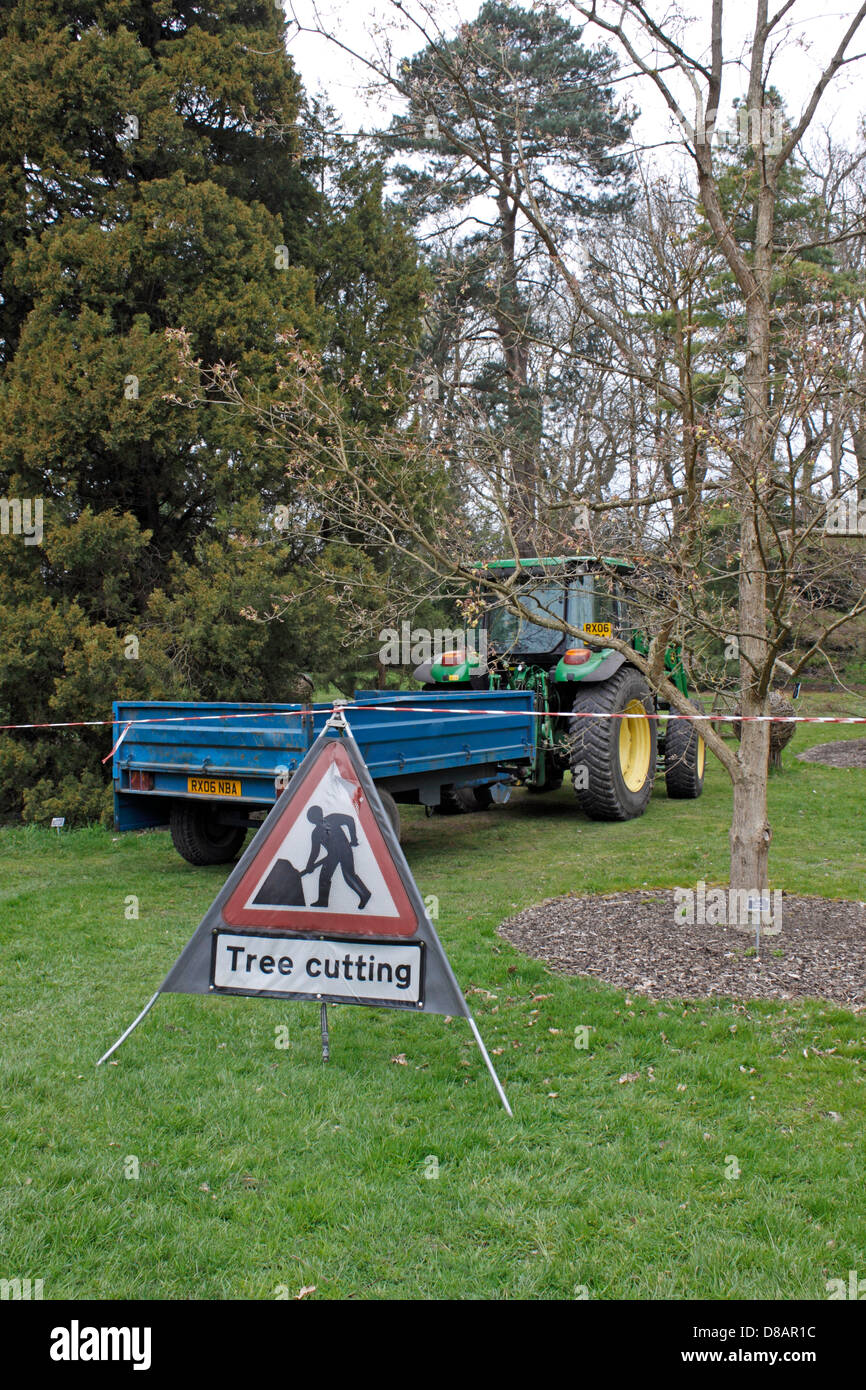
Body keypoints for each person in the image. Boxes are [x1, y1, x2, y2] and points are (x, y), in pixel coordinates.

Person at [301, 805, 371, 909]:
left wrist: (354, 838)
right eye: (313, 819)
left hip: (344, 849)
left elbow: (350, 820)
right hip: (332, 854)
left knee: (349, 876)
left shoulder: (332, 818)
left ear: (320, 814)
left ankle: (365, 894)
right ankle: (323, 901)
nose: (316, 820)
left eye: (316, 817)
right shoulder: (315, 833)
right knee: (324, 876)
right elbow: (315, 851)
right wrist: (309, 865)